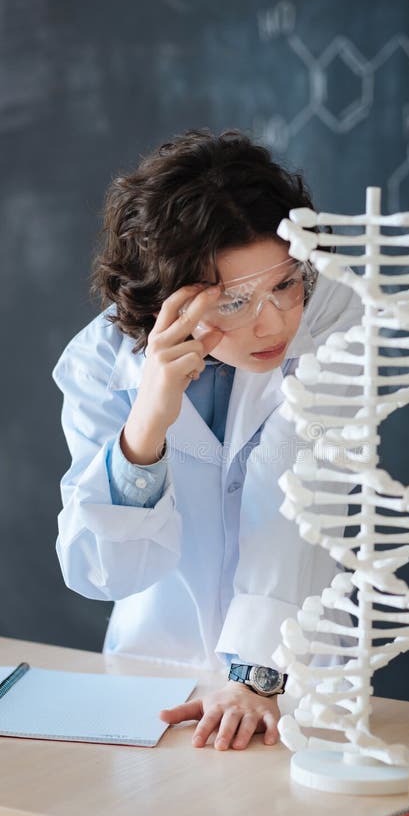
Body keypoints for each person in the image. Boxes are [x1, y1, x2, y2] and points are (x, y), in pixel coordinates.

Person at [52, 127, 362, 752]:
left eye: (284, 283)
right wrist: (150, 417)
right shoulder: (98, 363)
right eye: (232, 301)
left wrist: (255, 674)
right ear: (169, 299)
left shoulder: (335, 319)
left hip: (295, 678)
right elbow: (100, 568)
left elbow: (297, 489)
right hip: (150, 677)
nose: (272, 322)